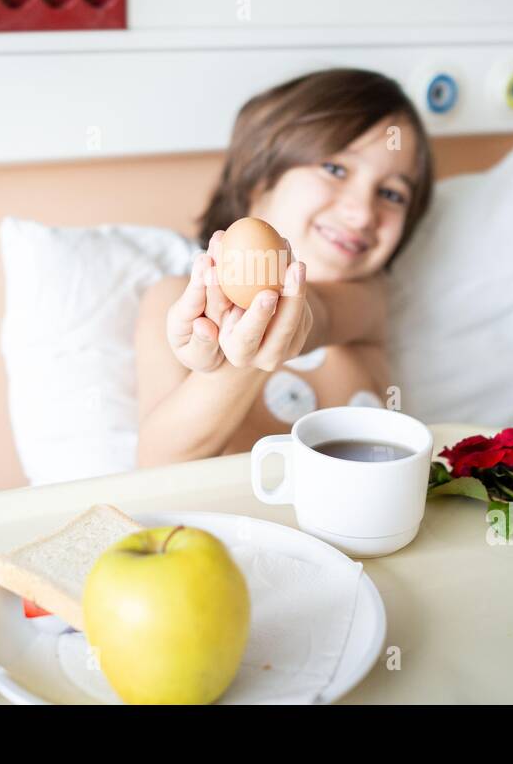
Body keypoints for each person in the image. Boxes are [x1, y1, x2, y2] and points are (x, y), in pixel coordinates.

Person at [135, 68, 435, 467]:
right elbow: (157, 466)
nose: (363, 213)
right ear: (260, 178)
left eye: (391, 193)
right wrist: (232, 367)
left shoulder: (368, 299)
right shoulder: (177, 300)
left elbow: (320, 315)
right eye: (335, 169)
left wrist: (270, 326)